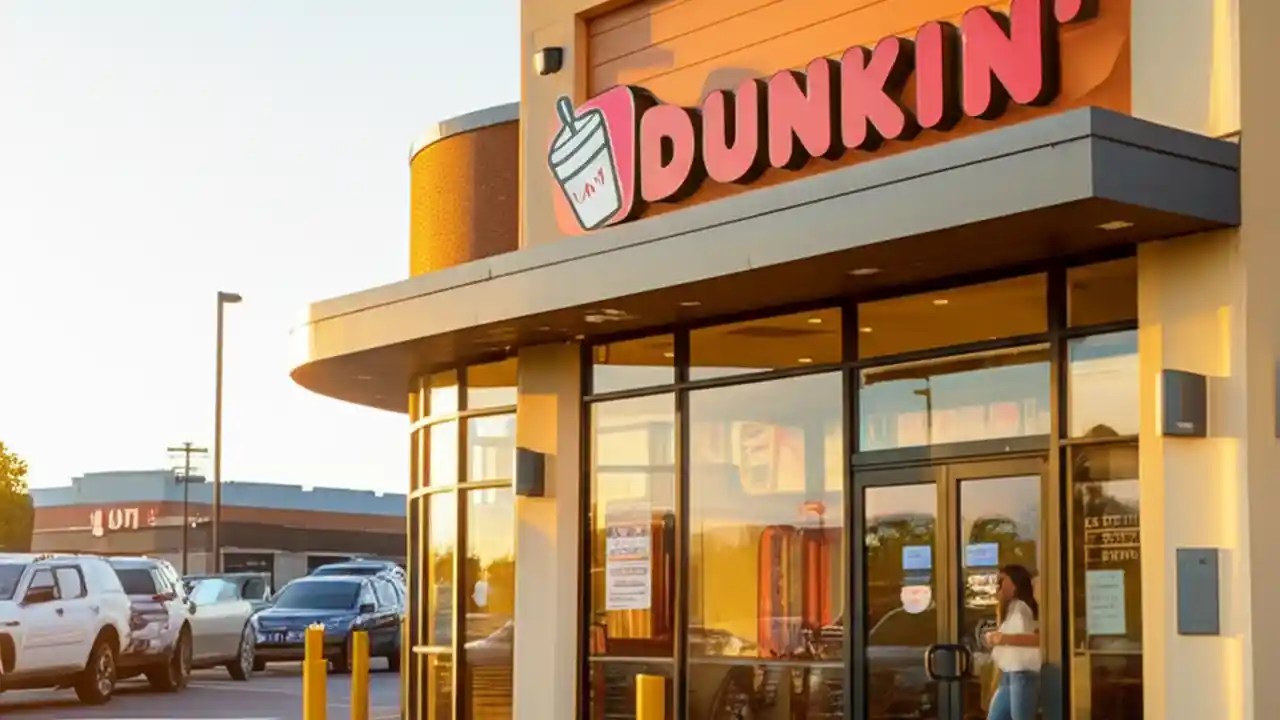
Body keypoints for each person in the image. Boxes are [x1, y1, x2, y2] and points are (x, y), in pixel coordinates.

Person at [984, 564, 1041, 720]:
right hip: (1009, 673)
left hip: (1022, 673)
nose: (998, 585)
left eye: (1003, 580)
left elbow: (1038, 640)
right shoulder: (1011, 609)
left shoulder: (1022, 608)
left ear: (1015, 583)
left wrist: (1003, 639)